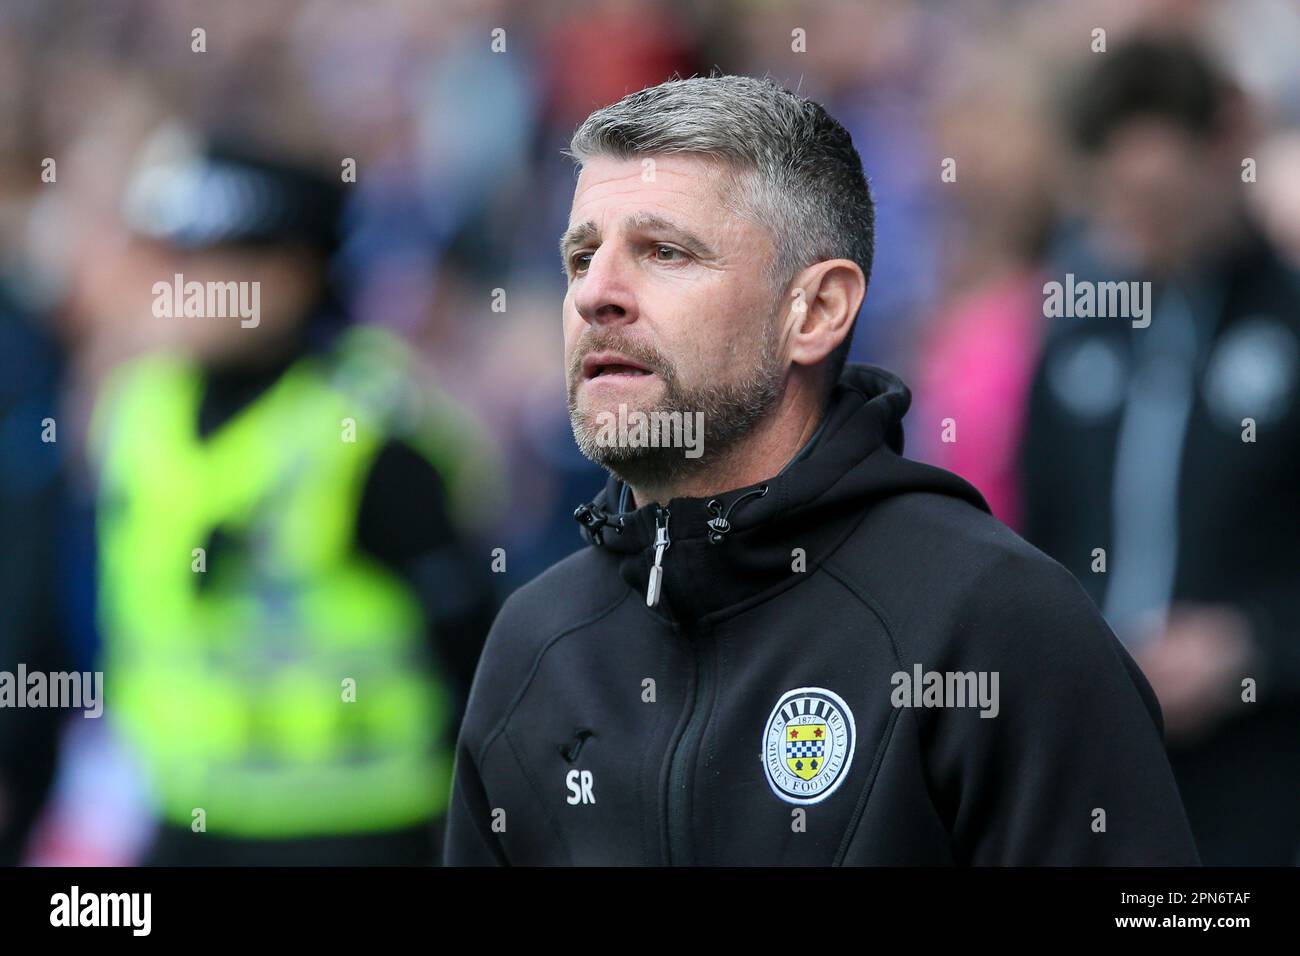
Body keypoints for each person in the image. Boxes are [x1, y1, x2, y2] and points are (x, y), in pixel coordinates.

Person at [443, 75, 1199, 866]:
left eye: (663, 252)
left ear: (816, 312)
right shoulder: (534, 645)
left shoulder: (992, 621)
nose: (597, 294)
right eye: (580, 256)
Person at [92, 134, 497, 865]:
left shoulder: (371, 431)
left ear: (293, 275)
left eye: (218, 263)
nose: (184, 287)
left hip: (355, 828)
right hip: (182, 818)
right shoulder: (137, 412)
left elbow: (472, 646)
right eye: (176, 261)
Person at [1020, 39, 1300, 866]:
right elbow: (1040, 541)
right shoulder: (1077, 341)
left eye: (1160, 199)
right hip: (1101, 761)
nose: (1139, 228)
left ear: (1227, 152)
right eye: (1119, 200)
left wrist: (1248, 643)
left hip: (1264, 775)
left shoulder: (1289, 325)